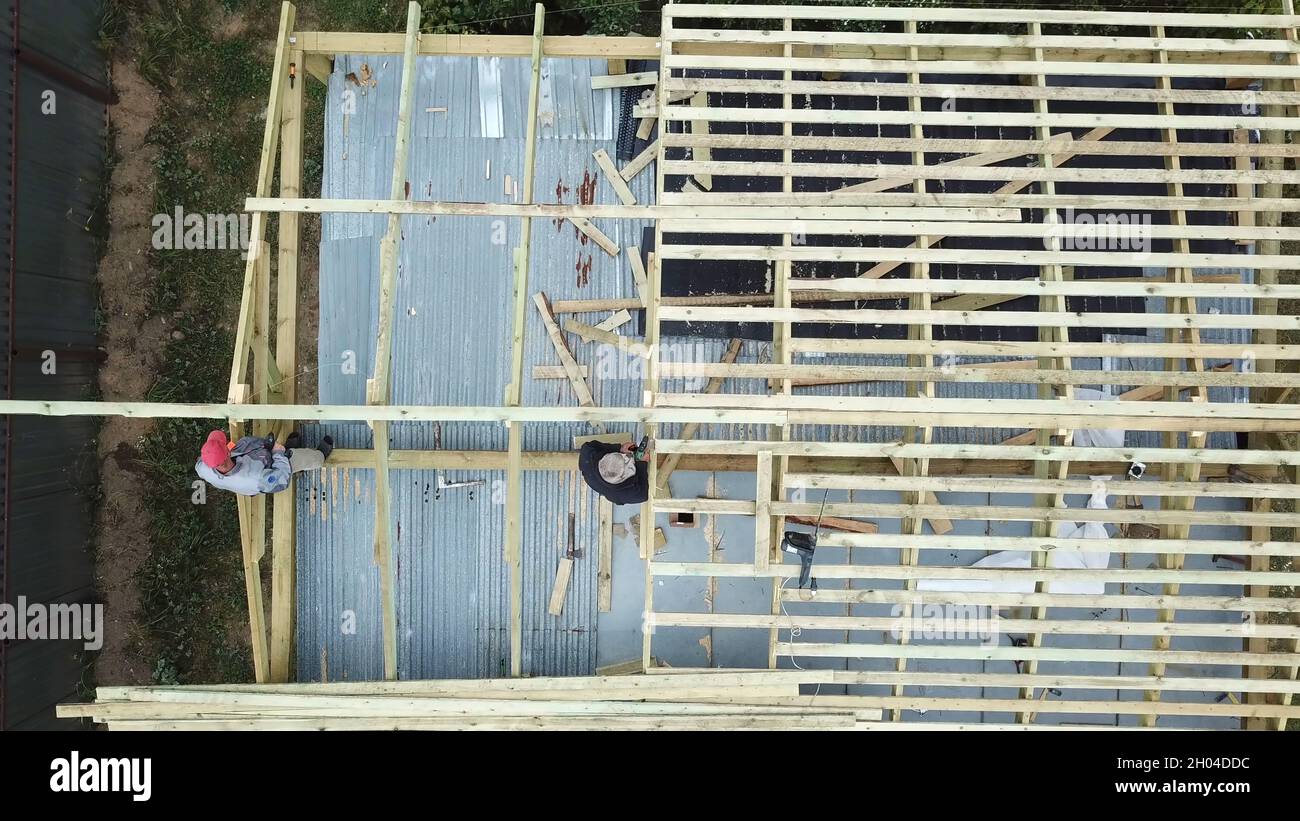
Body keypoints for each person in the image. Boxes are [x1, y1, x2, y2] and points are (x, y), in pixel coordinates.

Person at [195, 430, 333, 496]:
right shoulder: (255, 479)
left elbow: (214, 458)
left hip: (258, 457)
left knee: (284, 451)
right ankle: (320, 456)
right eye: (224, 445)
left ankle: (288, 448)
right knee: (298, 459)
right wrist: (279, 453)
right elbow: (282, 479)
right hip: (272, 468)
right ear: (227, 455)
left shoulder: (203, 467)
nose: (226, 443)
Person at [578, 438, 649, 505]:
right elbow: (643, 495)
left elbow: (589, 445)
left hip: (591, 471)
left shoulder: (588, 453)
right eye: (628, 464)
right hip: (614, 488)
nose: (627, 456)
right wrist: (642, 464)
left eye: (622, 456)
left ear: (606, 456)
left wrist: (620, 448)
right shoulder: (621, 495)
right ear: (622, 477)